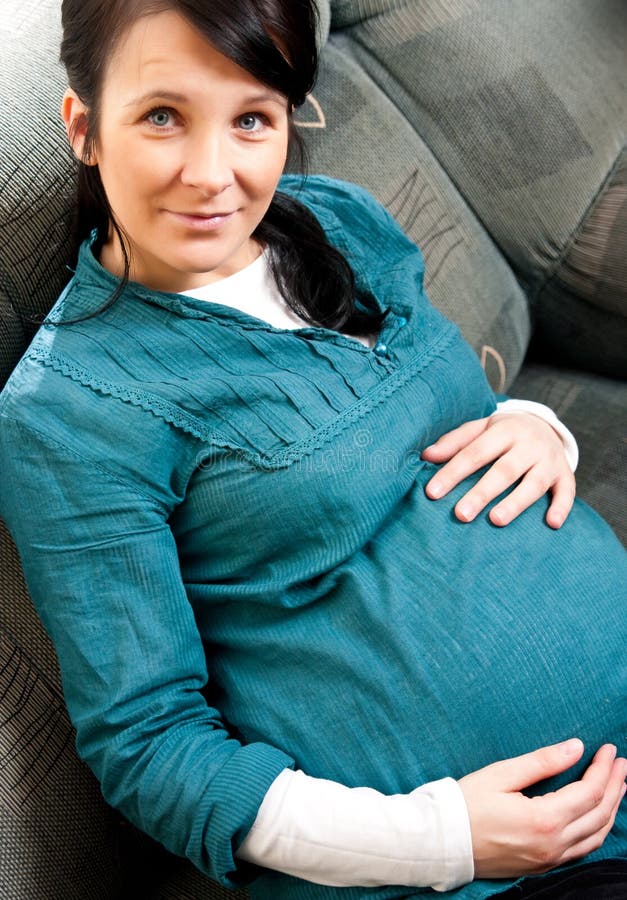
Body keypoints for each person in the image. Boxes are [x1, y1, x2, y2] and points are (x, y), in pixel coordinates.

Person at [0, 1, 625, 898]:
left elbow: (454, 408)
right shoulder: (71, 411)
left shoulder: (342, 221)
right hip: (508, 869)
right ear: (85, 128)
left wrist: (534, 426)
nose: (211, 174)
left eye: (251, 119)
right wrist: (442, 839)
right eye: (163, 116)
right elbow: (147, 749)